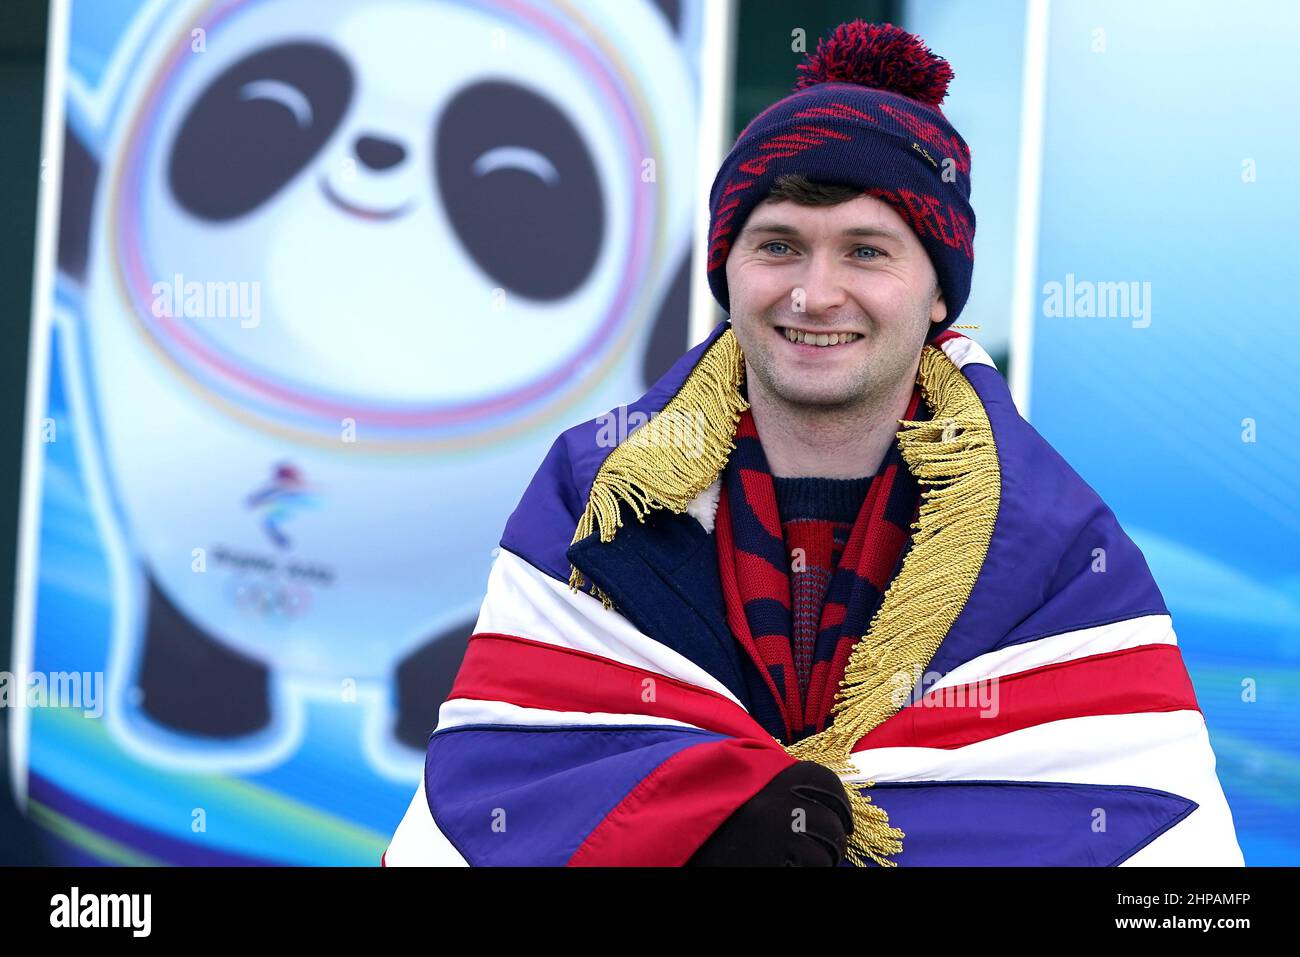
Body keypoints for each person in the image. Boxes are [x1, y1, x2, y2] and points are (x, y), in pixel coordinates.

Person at [384, 20, 1243, 867]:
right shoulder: (594, 492)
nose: (815, 292)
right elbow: (497, 795)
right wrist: (699, 825)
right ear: (727, 270)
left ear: (938, 293)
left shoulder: (1053, 541)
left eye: (866, 252)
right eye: (779, 246)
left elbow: (1162, 849)